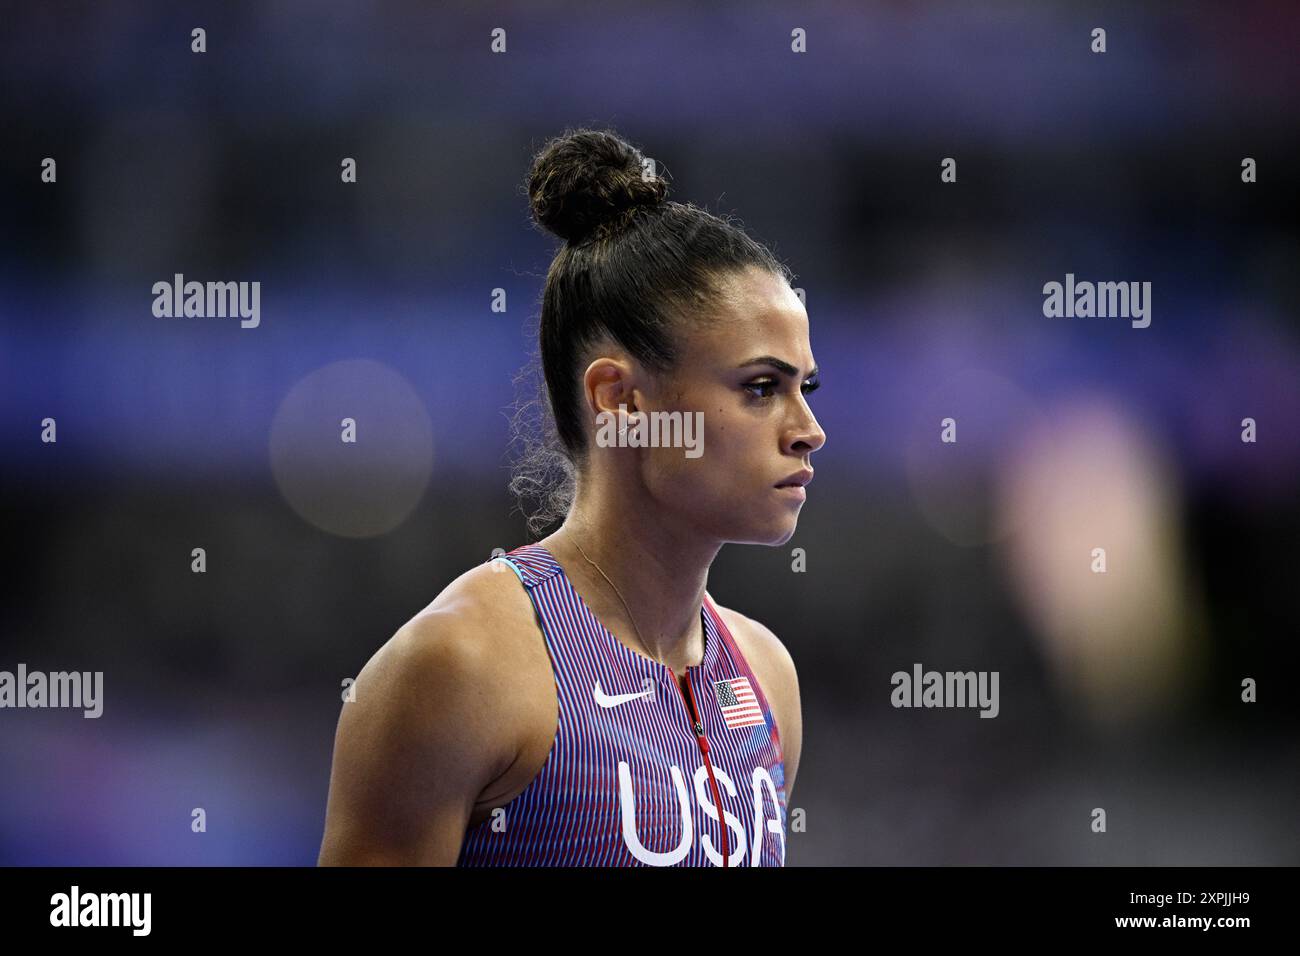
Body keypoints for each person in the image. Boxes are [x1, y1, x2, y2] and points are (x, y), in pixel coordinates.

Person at [318, 127, 825, 866]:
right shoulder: (463, 667)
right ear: (620, 399)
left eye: (803, 389)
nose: (808, 430)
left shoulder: (766, 677)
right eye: (760, 388)